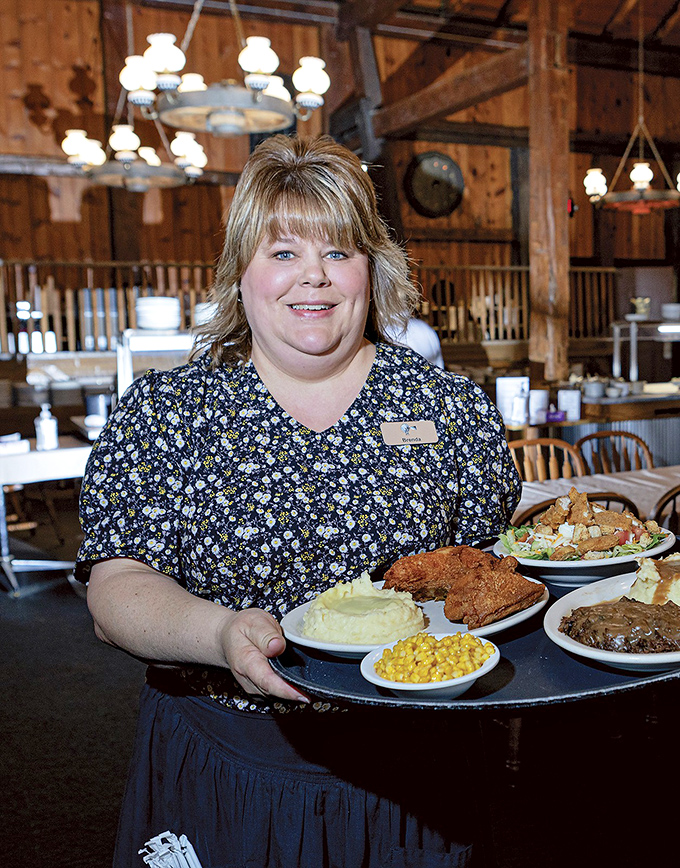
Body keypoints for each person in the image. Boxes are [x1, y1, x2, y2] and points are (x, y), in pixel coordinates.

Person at [76, 134, 521, 868]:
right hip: (227, 767)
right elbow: (115, 590)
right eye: (283, 253)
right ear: (240, 272)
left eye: (339, 252)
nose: (313, 279)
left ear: (372, 270)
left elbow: (487, 578)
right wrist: (222, 635)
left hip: (419, 774)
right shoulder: (168, 412)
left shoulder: (450, 408)